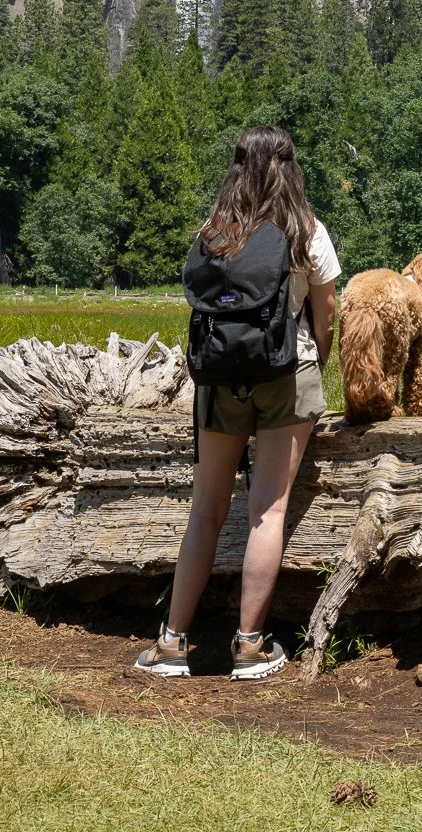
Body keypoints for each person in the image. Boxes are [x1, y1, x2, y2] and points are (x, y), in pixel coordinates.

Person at [135, 126, 341, 681]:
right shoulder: (307, 232)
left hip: (219, 378)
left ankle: (172, 642)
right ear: (289, 168)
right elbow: (326, 317)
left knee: (205, 512)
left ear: (236, 167)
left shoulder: (214, 231)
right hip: (287, 373)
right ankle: (248, 647)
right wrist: (313, 367)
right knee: (267, 511)